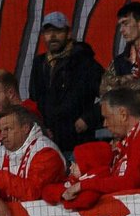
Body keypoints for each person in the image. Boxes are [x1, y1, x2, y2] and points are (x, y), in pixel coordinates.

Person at [28, 11, 103, 148]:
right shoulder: (39, 63)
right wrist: (41, 127)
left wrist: (88, 118)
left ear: (69, 34)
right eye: (48, 32)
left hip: (78, 142)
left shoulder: (84, 61)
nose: (52, 36)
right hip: (48, 142)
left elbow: (111, 95)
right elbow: (34, 100)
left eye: (58, 31)